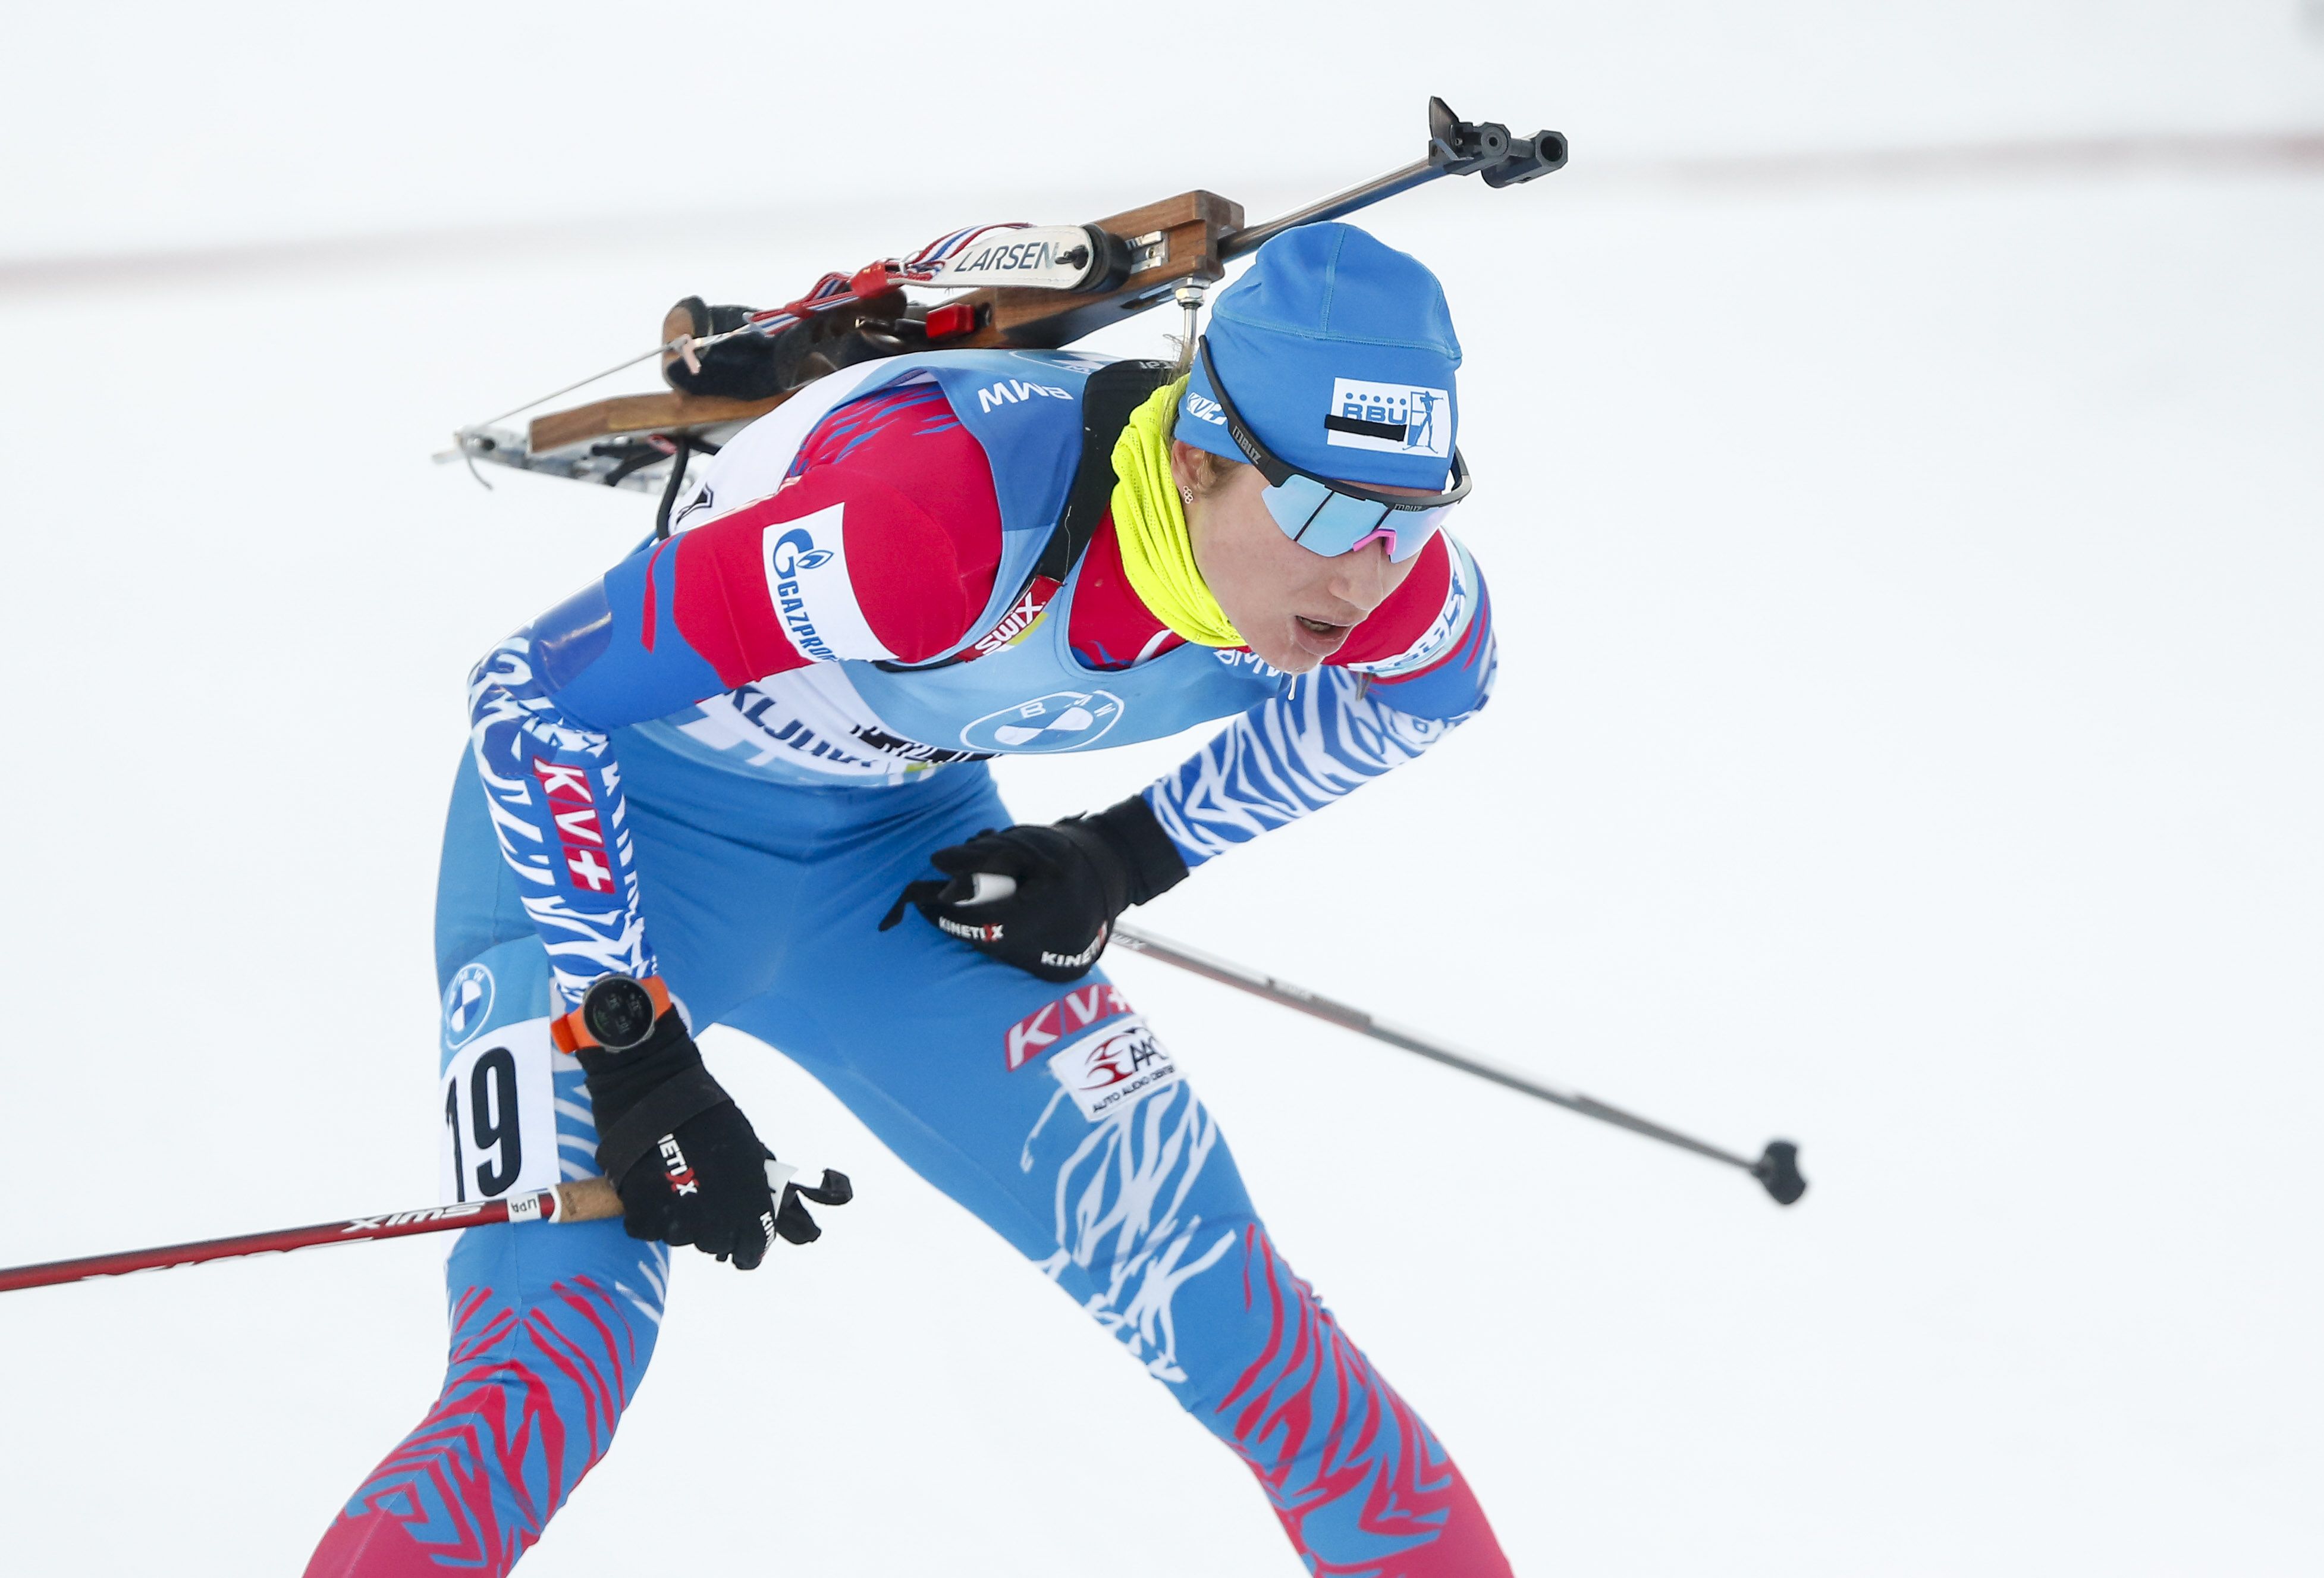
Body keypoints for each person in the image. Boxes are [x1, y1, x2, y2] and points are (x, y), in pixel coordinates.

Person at [306, 222, 1508, 1576]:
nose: (1364, 574)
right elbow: (531, 697)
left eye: (1410, 519)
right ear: (1194, 457)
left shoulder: (1385, 592)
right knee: (545, 1374)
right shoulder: (931, 521)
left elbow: (1428, 699)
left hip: (897, 874)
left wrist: (1130, 853)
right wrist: (627, 1041)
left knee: (1254, 1339)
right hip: (615, 861)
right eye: (1328, 513)